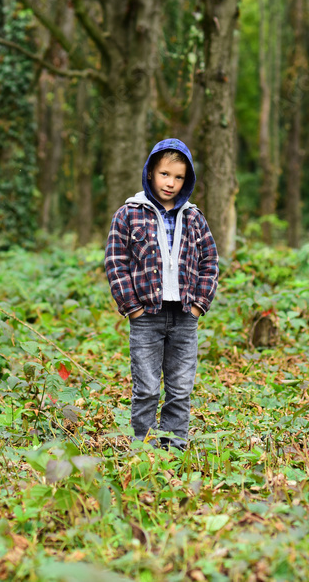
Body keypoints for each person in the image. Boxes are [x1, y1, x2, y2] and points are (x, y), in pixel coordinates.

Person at [104, 139, 219, 450]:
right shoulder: (129, 213)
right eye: (165, 174)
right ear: (151, 173)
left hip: (184, 316)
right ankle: (142, 449)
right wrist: (132, 308)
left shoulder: (194, 217)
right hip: (146, 316)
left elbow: (210, 260)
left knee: (180, 388)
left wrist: (198, 305)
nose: (171, 183)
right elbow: (116, 260)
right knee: (147, 389)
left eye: (179, 177)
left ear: (188, 179)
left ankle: (174, 448)